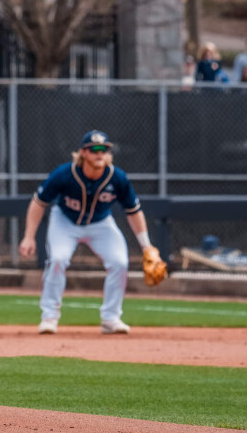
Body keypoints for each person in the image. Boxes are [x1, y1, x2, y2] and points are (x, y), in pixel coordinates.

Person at [18, 131, 160, 335]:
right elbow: (39, 202)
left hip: (100, 223)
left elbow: (133, 211)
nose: (100, 153)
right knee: (58, 259)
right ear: (83, 153)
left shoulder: (117, 177)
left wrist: (147, 245)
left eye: (104, 149)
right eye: (94, 149)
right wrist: (29, 236)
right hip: (65, 221)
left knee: (120, 262)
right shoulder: (64, 174)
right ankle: (49, 317)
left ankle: (111, 318)